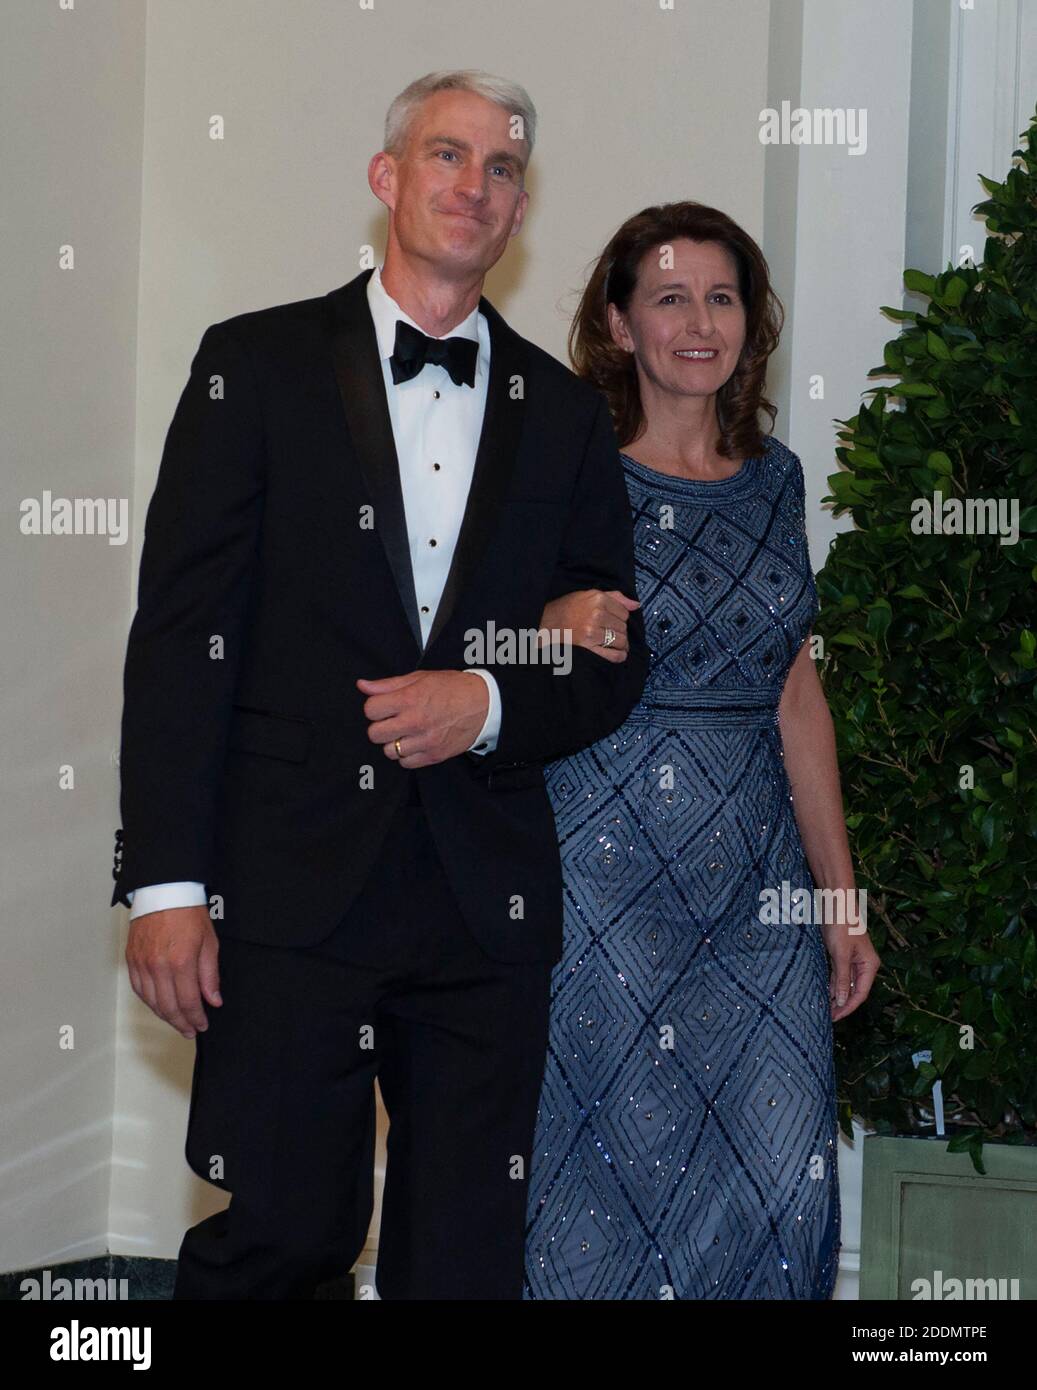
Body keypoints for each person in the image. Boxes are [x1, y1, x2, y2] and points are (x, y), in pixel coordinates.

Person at [110, 69, 647, 1301]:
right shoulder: (255, 364)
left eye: (501, 168)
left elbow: (610, 652)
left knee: (462, 1262)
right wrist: (166, 887)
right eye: (447, 156)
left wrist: (491, 697)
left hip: (482, 901)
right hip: (287, 886)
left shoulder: (565, 418)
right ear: (387, 179)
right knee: (286, 1232)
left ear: (519, 209)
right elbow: (182, 637)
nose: (474, 185)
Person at [523, 202, 881, 1299]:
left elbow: (793, 688)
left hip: (754, 885)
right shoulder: (564, 468)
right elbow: (485, 642)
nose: (697, 322)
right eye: (668, 297)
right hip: (601, 882)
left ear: (747, 323)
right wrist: (546, 625)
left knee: (776, 1181)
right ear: (620, 325)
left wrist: (838, 895)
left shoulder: (774, 478)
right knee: (601, 1179)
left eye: (720, 297)